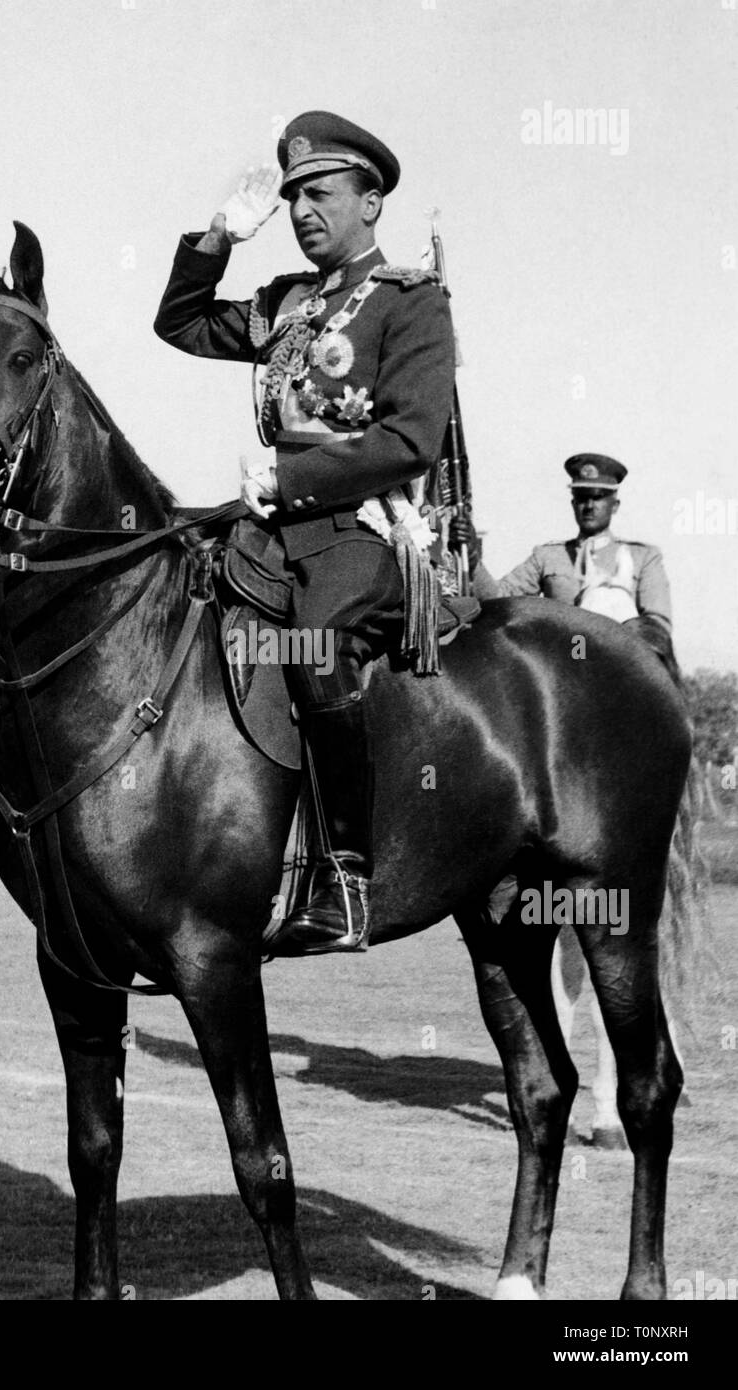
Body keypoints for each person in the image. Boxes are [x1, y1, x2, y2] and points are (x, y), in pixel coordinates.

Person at [155, 111, 456, 954]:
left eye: (320, 193)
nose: (302, 210)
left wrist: (291, 478)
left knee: (316, 647)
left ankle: (347, 879)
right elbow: (178, 325)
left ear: (370, 203)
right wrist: (217, 236)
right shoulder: (284, 301)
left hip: (352, 533)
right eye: (291, 198)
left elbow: (409, 439)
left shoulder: (408, 300)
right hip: (266, 530)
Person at [467, 453, 676, 671]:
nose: (589, 506)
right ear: (573, 503)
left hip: (622, 672)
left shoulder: (642, 557)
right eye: (582, 497)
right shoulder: (548, 556)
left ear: (615, 505)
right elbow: (500, 599)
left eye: (598, 497)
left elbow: (657, 626)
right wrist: (474, 560)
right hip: (563, 673)